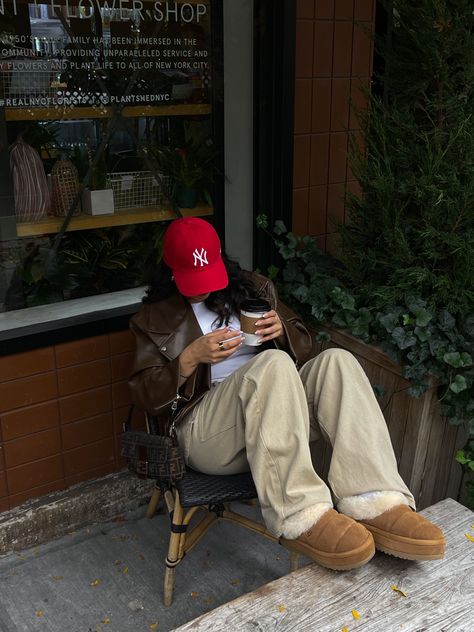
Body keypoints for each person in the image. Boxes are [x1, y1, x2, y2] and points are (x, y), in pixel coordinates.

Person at [128, 217, 445, 570]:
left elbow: (305, 346)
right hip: (206, 435)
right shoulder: (153, 318)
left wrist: (282, 330)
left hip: (273, 418)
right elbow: (144, 395)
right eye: (193, 280)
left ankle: (375, 500)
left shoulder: (251, 289)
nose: (203, 289)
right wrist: (188, 359)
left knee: (337, 362)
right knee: (272, 366)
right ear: (171, 270)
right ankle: (301, 513)